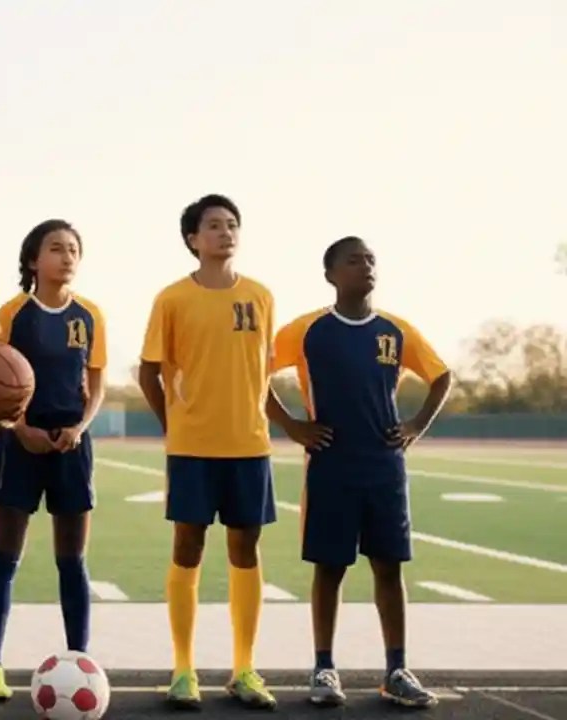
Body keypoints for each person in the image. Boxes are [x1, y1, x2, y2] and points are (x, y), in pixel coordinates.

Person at [269, 235, 452, 709]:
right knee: (329, 568)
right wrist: (292, 424)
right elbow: (254, 370)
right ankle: (324, 668)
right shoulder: (308, 330)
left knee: (388, 568)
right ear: (331, 274)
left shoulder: (395, 330)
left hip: (384, 468)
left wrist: (415, 425)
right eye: (354, 260)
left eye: (371, 259)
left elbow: (442, 376)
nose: (366, 266)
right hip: (331, 465)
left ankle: (396, 669)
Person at [137, 194, 289, 710]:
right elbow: (148, 370)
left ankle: (244, 669)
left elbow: (263, 375)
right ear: (192, 240)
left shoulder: (263, 297)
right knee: (189, 547)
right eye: (214, 226)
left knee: (245, 550)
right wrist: (172, 424)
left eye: (232, 225)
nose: (225, 233)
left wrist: (285, 423)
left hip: (249, 444)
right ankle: (184, 670)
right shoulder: (172, 299)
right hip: (193, 447)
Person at [0, 219, 107, 701]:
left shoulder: (90, 316)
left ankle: (81, 660)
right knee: (5, 556)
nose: (67, 255)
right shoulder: (11, 314)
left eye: (74, 248)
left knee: (72, 560)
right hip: (20, 443)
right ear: (34, 260)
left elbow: (95, 384)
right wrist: (20, 428)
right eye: (56, 248)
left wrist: (80, 427)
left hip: (72, 442)